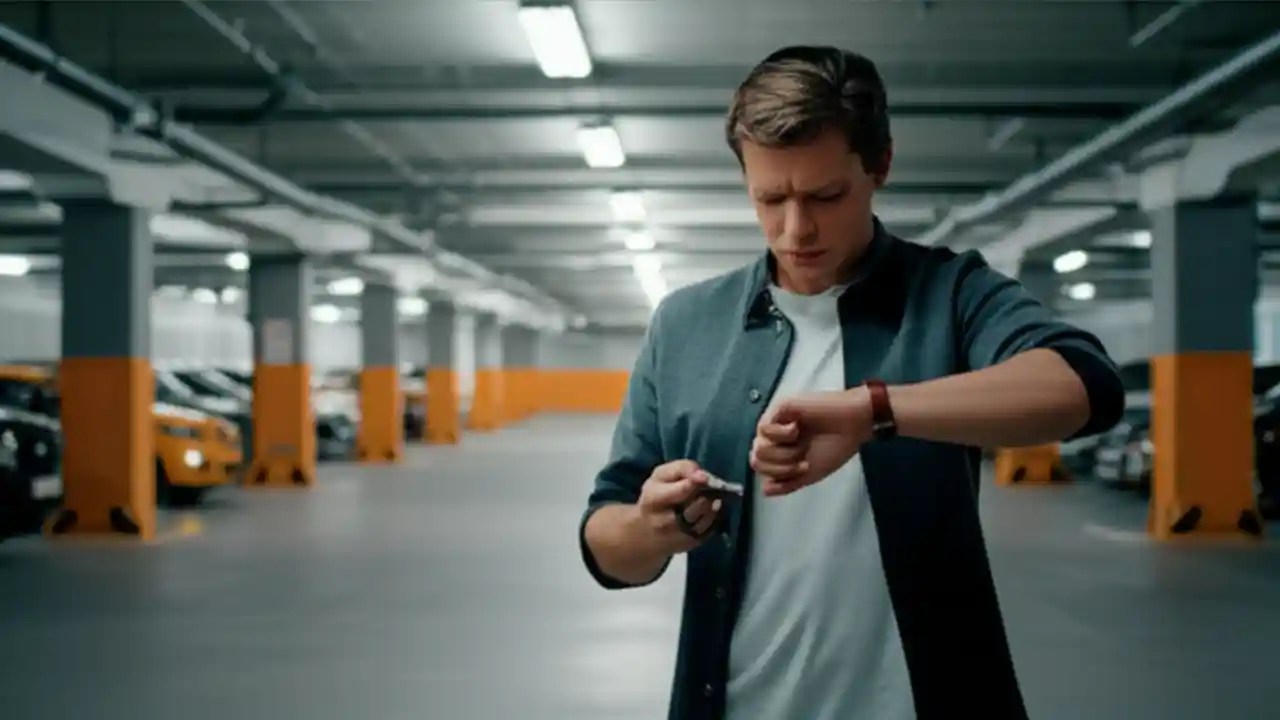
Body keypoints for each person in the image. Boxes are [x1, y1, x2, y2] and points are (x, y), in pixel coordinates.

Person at [576, 45, 1124, 720]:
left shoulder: (948, 294)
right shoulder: (686, 324)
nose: (795, 228)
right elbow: (607, 540)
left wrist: (875, 411)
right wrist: (651, 527)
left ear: (880, 165)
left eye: (825, 196)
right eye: (769, 198)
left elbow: (1082, 386)